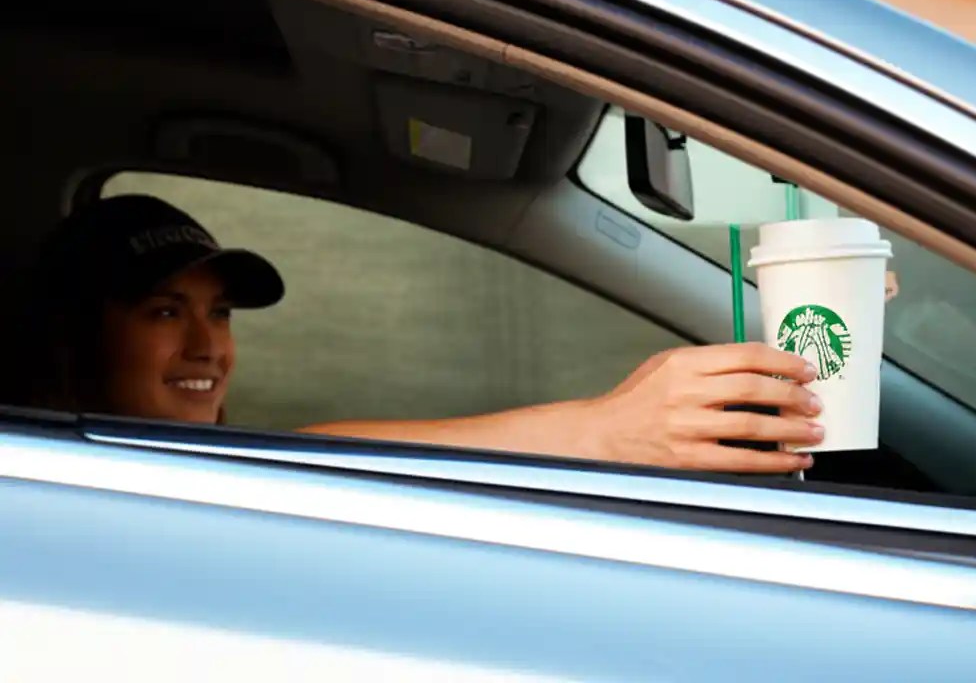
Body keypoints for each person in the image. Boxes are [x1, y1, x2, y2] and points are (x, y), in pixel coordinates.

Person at [14, 194, 824, 473]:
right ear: (75, 336)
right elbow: (313, 459)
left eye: (218, 312)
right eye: (164, 311)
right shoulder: (61, 484)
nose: (207, 346)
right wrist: (609, 432)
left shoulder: (175, 471)